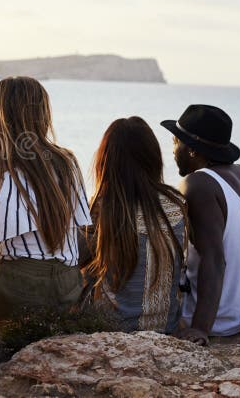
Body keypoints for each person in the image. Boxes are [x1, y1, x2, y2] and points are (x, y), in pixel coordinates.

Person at [0, 76, 91, 321]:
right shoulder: (67, 161)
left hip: (19, 291)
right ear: (42, 113)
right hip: (68, 287)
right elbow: (80, 227)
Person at [162, 104, 240, 345]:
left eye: (176, 142)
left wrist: (201, 328)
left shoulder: (198, 184)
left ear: (192, 150)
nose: (173, 151)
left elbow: (214, 259)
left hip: (222, 321)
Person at [80, 117, 187, 333]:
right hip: (165, 324)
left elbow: (78, 258)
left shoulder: (105, 206)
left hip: (115, 327)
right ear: (153, 158)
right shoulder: (177, 202)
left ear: (107, 160)